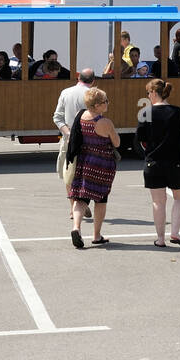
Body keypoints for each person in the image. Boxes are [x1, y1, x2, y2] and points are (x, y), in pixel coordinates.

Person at [136, 79, 180, 246]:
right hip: (176, 162)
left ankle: (160, 238)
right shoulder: (177, 112)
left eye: (148, 93)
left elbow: (141, 140)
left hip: (153, 162)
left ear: (154, 93)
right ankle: (175, 233)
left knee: (158, 202)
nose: (148, 96)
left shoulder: (146, 113)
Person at [65, 87, 120, 248]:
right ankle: (96, 235)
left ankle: (76, 227)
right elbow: (116, 143)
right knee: (100, 199)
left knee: (81, 198)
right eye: (105, 101)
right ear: (97, 105)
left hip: (84, 160)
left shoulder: (80, 116)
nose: (107, 103)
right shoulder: (104, 122)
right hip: (102, 163)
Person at [54, 69, 96, 221]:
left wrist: (68, 133)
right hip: (89, 139)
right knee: (87, 173)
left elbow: (57, 117)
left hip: (69, 138)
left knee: (68, 174)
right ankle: (82, 204)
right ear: (93, 80)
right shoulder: (94, 94)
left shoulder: (66, 92)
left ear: (78, 77)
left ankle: (73, 208)